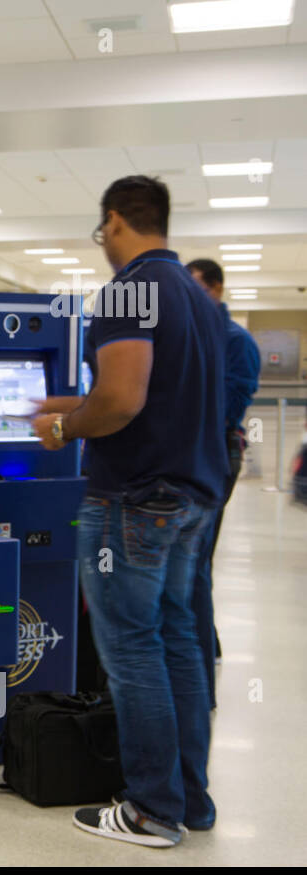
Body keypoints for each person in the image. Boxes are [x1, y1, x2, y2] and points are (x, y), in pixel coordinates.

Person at [31, 175, 227, 847]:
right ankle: (190, 800)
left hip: (133, 501)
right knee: (178, 647)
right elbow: (163, 395)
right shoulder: (202, 303)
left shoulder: (129, 292)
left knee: (133, 654)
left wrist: (63, 429)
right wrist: (74, 407)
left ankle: (149, 810)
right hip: (191, 497)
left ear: (115, 222)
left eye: (102, 232)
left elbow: (120, 401)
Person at [185, 258, 261, 707]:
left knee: (194, 565)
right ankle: (205, 645)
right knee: (193, 566)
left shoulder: (236, 342)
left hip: (214, 457)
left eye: (196, 290)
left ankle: (199, 678)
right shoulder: (198, 338)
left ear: (215, 289)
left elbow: (228, 407)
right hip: (191, 456)